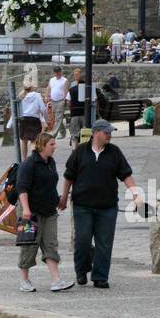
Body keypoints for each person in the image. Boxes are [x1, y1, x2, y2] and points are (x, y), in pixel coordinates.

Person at [59, 119, 143, 288]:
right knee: (82, 240)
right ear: (96, 133)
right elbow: (69, 176)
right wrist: (64, 197)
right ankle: (81, 269)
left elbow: (125, 174)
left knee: (104, 242)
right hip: (83, 205)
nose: (110, 135)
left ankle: (100, 276)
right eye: (107, 133)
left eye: (110, 132)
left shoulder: (114, 152)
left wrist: (135, 193)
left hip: (107, 206)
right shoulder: (80, 152)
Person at [15, 131, 74, 293]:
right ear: (42, 146)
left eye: (54, 144)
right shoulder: (29, 163)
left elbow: (50, 185)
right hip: (30, 211)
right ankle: (25, 281)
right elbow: (22, 188)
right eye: (52, 145)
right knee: (29, 244)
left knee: (50, 243)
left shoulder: (51, 162)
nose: (54, 147)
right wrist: (26, 209)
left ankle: (56, 280)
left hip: (48, 210)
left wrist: (58, 200)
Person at [17, 77, 47, 158]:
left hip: (23, 120)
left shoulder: (20, 96)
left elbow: (17, 110)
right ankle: (34, 158)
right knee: (34, 141)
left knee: (24, 141)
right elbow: (43, 109)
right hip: (34, 119)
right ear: (32, 86)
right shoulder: (37, 96)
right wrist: (45, 119)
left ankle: (24, 159)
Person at [46, 63, 69, 139]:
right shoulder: (52, 80)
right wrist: (47, 96)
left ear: (60, 71)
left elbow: (66, 91)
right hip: (53, 100)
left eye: (58, 71)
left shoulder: (65, 80)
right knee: (56, 118)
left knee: (58, 118)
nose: (57, 73)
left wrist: (64, 100)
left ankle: (53, 133)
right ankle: (63, 132)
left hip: (60, 101)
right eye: (55, 72)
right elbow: (48, 88)